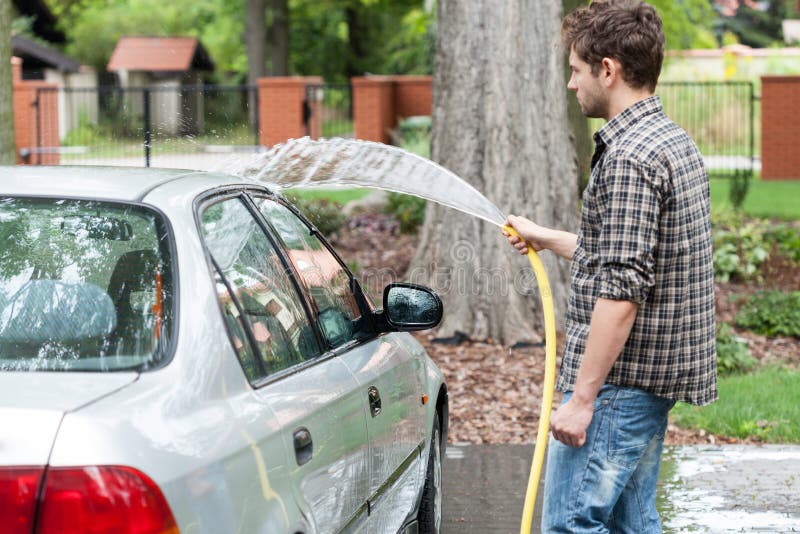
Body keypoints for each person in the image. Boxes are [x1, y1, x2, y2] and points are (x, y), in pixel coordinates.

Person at [503, 1, 716, 532]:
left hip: (620, 385)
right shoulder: (670, 141)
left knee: (571, 523)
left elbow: (622, 294)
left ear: (608, 69)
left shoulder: (628, 158)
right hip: (648, 382)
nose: (572, 84)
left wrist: (581, 400)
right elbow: (636, 256)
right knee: (631, 522)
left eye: (576, 70)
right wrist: (547, 237)